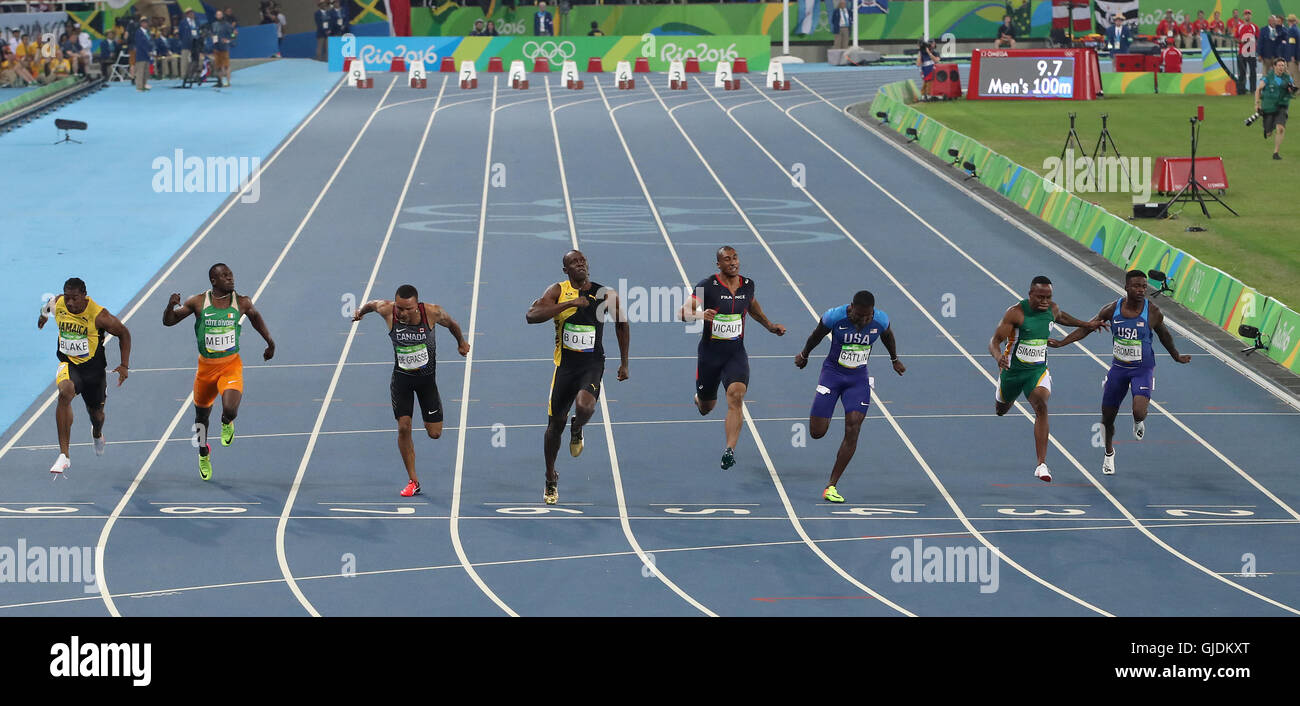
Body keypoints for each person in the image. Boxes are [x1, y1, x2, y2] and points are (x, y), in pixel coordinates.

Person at [1046, 271, 1190, 476]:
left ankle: (1139, 421)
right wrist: (1062, 342)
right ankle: (1108, 453)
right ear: (1126, 288)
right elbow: (1087, 327)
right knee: (1107, 418)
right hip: (1119, 370)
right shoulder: (1112, 309)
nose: (1141, 290)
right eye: (1136, 286)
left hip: (1143, 369)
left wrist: (1176, 356)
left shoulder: (1153, 312)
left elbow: (1164, 335)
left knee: (1138, 411)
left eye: (1144, 286)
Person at [525, 251, 629, 505]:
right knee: (553, 427)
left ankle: (578, 427)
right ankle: (551, 476)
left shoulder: (604, 293)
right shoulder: (557, 291)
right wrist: (570, 305)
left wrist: (624, 362)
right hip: (565, 367)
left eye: (582, 260)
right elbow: (532, 316)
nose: (580, 264)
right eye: (574, 262)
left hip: (592, 364)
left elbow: (622, 323)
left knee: (585, 406)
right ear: (565, 270)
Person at [353, 286, 470, 497]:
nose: (402, 313)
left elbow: (452, 324)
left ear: (417, 306)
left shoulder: (432, 313)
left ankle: (429, 424)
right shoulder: (388, 310)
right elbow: (371, 304)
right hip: (401, 380)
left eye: (407, 309)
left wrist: (461, 342)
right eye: (399, 308)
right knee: (404, 427)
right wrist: (360, 312)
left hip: (427, 383)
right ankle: (413, 480)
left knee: (435, 434)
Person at [163, 264, 275, 481]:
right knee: (200, 419)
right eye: (224, 276)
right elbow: (169, 322)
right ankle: (203, 453)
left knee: (230, 409)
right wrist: (169, 307)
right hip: (205, 369)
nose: (230, 278)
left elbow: (256, 318)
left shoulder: (242, 302)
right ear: (214, 281)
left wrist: (270, 343)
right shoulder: (197, 302)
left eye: (231, 274)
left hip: (230, 365)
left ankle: (226, 422)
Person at [678, 246, 786, 471]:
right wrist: (700, 314)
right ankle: (700, 398)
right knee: (707, 407)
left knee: (736, 396)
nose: (733, 262)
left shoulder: (748, 285)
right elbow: (682, 313)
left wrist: (770, 325)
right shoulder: (708, 285)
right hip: (709, 356)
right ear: (719, 264)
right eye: (727, 259)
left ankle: (729, 450)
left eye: (735, 258)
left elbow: (753, 307)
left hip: (735, 354)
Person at [988, 276, 1104, 483]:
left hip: (1037, 371)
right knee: (1001, 410)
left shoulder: (1051, 308)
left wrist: (1086, 323)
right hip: (1012, 372)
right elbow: (994, 341)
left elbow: (1061, 317)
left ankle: (1041, 464)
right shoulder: (1016, 313)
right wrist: (999, 357)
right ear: (1030, 294)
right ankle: (1008, 394)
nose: (1044, 301)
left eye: (1048, 297)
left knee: (1041, 405)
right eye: (1040, 297)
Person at [794, 291, 904, 503]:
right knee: (817, 432)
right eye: (859, 315)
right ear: (851, 308)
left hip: (858, 379)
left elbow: (888, 336)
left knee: (853, 426)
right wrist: (805, 354)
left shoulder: (880, 319)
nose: (863, 320)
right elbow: (816, 335)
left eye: (867, 317)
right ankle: (822, 411)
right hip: (832, 375)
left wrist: (894, 359)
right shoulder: (834, 317)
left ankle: (831, 485)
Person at [37, 278, 132, 476]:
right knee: (65, 392)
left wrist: (124, 365)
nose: (70, 303)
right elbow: (48, 306)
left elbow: (124, 334)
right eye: (67, 297)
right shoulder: (59, 302)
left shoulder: (99, 315)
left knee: (97, 415)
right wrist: (43, 317)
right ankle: (64, 455)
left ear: (84, 296)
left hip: (94, 372)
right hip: (69, 364)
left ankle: (97, 433)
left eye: (74, 298)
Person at [1256, 57, 1294, 159]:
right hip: (1269, 107)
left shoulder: (1288, 78)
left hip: (1282, 105)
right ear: (1274, 66)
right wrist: (1257, 104)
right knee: (1268, 133)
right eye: (1279, 65)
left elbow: (1291, 89)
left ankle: (1276, 153)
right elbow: (1258, 89)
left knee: (1280, 128)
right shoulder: (1268, 78)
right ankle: (1268, 129)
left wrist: (1291, 90)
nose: (1282, 67)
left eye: (1283, 65)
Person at [211, 10, 235, 87]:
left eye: (220, 14)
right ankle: (220, 82)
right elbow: (212, 34)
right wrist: (212, 38)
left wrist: (228, 40)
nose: (219, 16)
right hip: (216, 48)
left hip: (224, 48)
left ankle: (228, 82)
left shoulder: (227, 25)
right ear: (215, 16)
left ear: (222, 15)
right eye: (217, 14)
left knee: (226, 66)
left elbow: (233, 34)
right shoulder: (213, 25)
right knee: (218, 66)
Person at [1238, 9, 1259, 93]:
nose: (1247, 16)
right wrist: (1242, 41)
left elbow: (1257, 38)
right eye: (1246, 14)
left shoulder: (1254, 27)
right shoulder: (1240, 27)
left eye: (1249, 14)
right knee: (1242, 72)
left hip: (1252, 52)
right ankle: (1241, 90)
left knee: (1253, 72)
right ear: (1243, 16)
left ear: (1251, 16)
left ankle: (1253, 90)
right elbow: (1235, 38)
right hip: (1242, 52)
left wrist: (1251, 41)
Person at [132, 18, 153, 91]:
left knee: (146, 72)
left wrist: (151, 51)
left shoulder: (147, 32)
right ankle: (139, 87)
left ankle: (144, 85)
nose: (145, 24)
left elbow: (150, 42)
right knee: (140, 72)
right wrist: (147, 51)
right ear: (141, 23)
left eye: (146, 23)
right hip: (141, 54)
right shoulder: (138, 32)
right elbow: (140, 44)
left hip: (147, 55)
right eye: (144, 23)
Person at [1286, 14, 1299, 83]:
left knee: (1295, 73)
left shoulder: (1291, 30)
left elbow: (1292, 43)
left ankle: (1298, 88)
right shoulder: (1297, 29)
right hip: (1297, 54)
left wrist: (1292, 55)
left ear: (1290, 21)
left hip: (1293, 55)